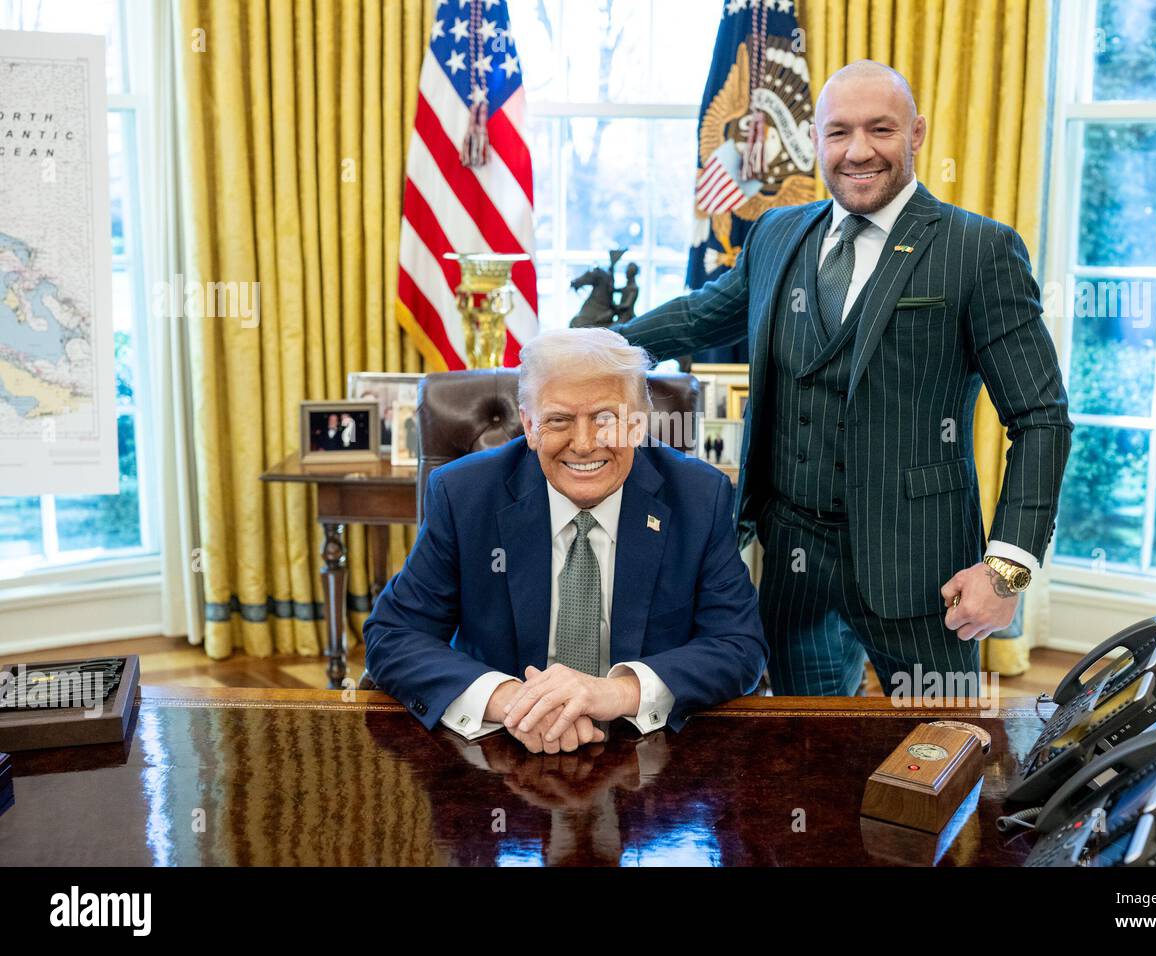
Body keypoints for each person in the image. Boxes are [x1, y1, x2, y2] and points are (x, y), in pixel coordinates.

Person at [613, 60, 1072, 696]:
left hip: (923, 568)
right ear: (817, 141)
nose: (858, 151)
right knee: (808, 753)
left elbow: (1041, 419)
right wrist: (593, 348)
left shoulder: (978, 250)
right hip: (793, 562)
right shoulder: (776, 233)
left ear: (915, 134)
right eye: (838, 133)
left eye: (880, 130)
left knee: (936, 754)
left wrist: (1004, 572)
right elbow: (701, 313)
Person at [364, 327, 768, 753]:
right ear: (529, 425)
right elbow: (393, 634)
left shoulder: (698, 497)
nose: (584, 443)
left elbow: (738, 645)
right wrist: (513, 702)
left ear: (636, 423)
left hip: (647, 756)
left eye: (606, 418)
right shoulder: (464, 494)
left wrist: (616, 692)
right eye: (558, 420)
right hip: (501, 748)